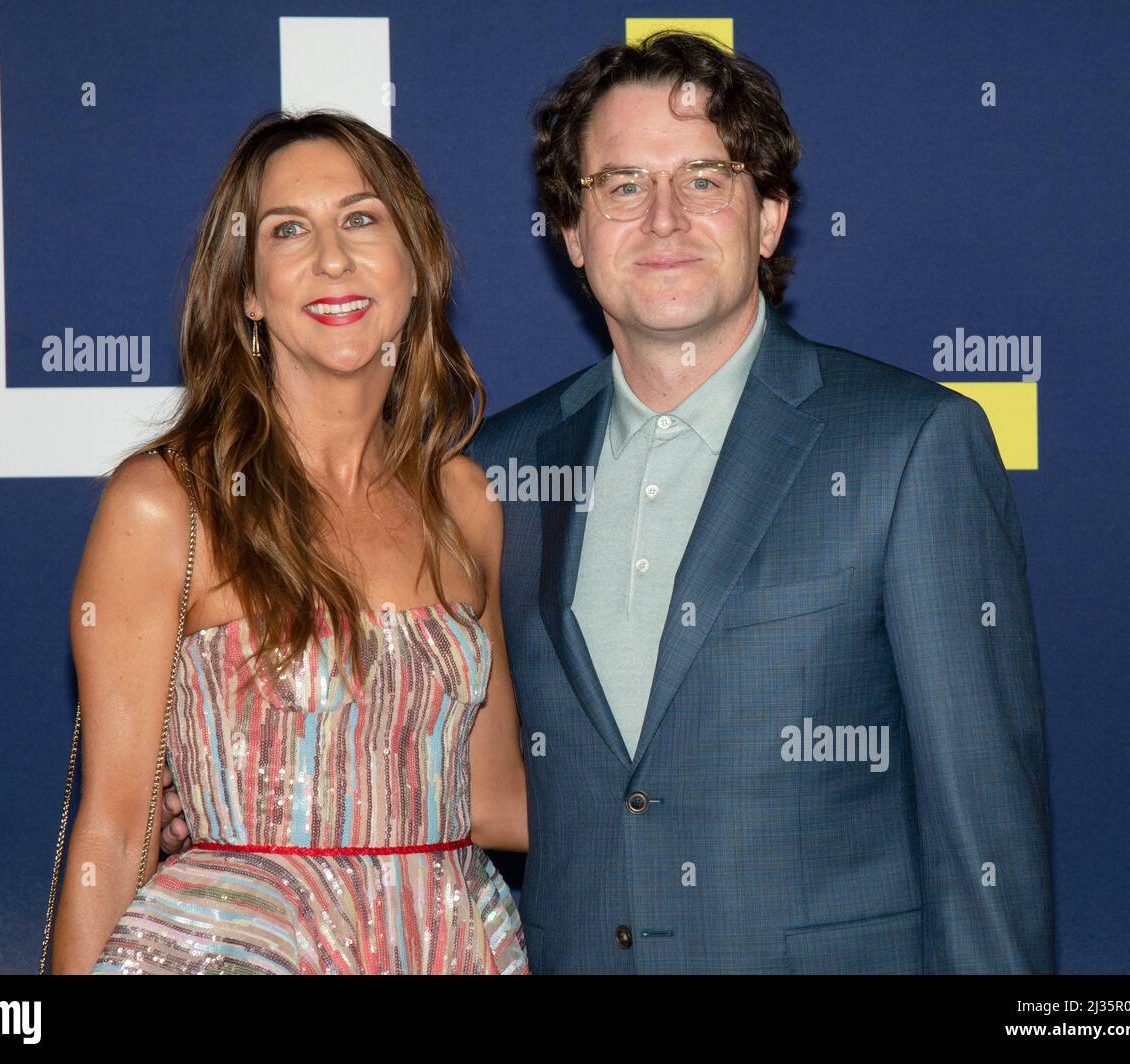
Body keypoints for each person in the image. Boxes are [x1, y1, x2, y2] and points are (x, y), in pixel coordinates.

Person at [161, 31, 1056, 975]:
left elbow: (984, 831)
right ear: (576, 236)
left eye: (706, 179)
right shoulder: (488, 476)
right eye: (622, 186)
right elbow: (445, 755)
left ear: (770, 217)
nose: (663, 218)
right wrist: (252, 806)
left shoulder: (909, 446)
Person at [50, 109, 529, 974]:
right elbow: (116, 832)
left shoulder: (463, 500)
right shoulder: (167, 504)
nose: (333, 258)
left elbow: (497, 803)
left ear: (415, 267)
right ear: (245, 292)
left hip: (451, 949)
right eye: (287, 230)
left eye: (360, 219)